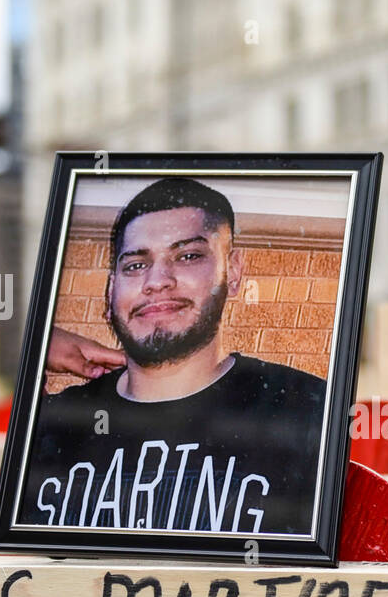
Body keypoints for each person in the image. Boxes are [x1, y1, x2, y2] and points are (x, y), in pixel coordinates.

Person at [21, 177, 328, 536]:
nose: (158, 280)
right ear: (110, 290)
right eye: (135, 265)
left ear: (234, 272)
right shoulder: (52, 423)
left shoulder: (307, 408)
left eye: (188, 256)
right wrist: (34, 349)